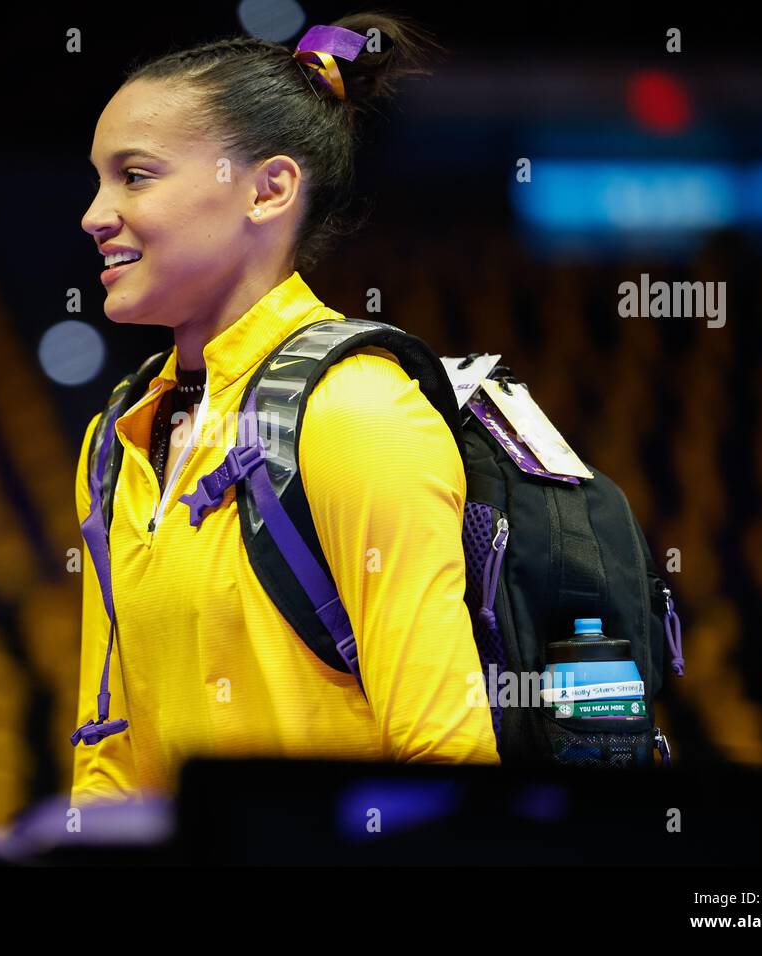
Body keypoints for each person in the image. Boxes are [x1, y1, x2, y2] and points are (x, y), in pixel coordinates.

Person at [72, 11, 498, 806]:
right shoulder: (115, 442)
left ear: (267, 190)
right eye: (98, 179)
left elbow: (444, 758)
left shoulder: (357, 412)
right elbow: (109, 752)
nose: (95, 215)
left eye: (135, 175)